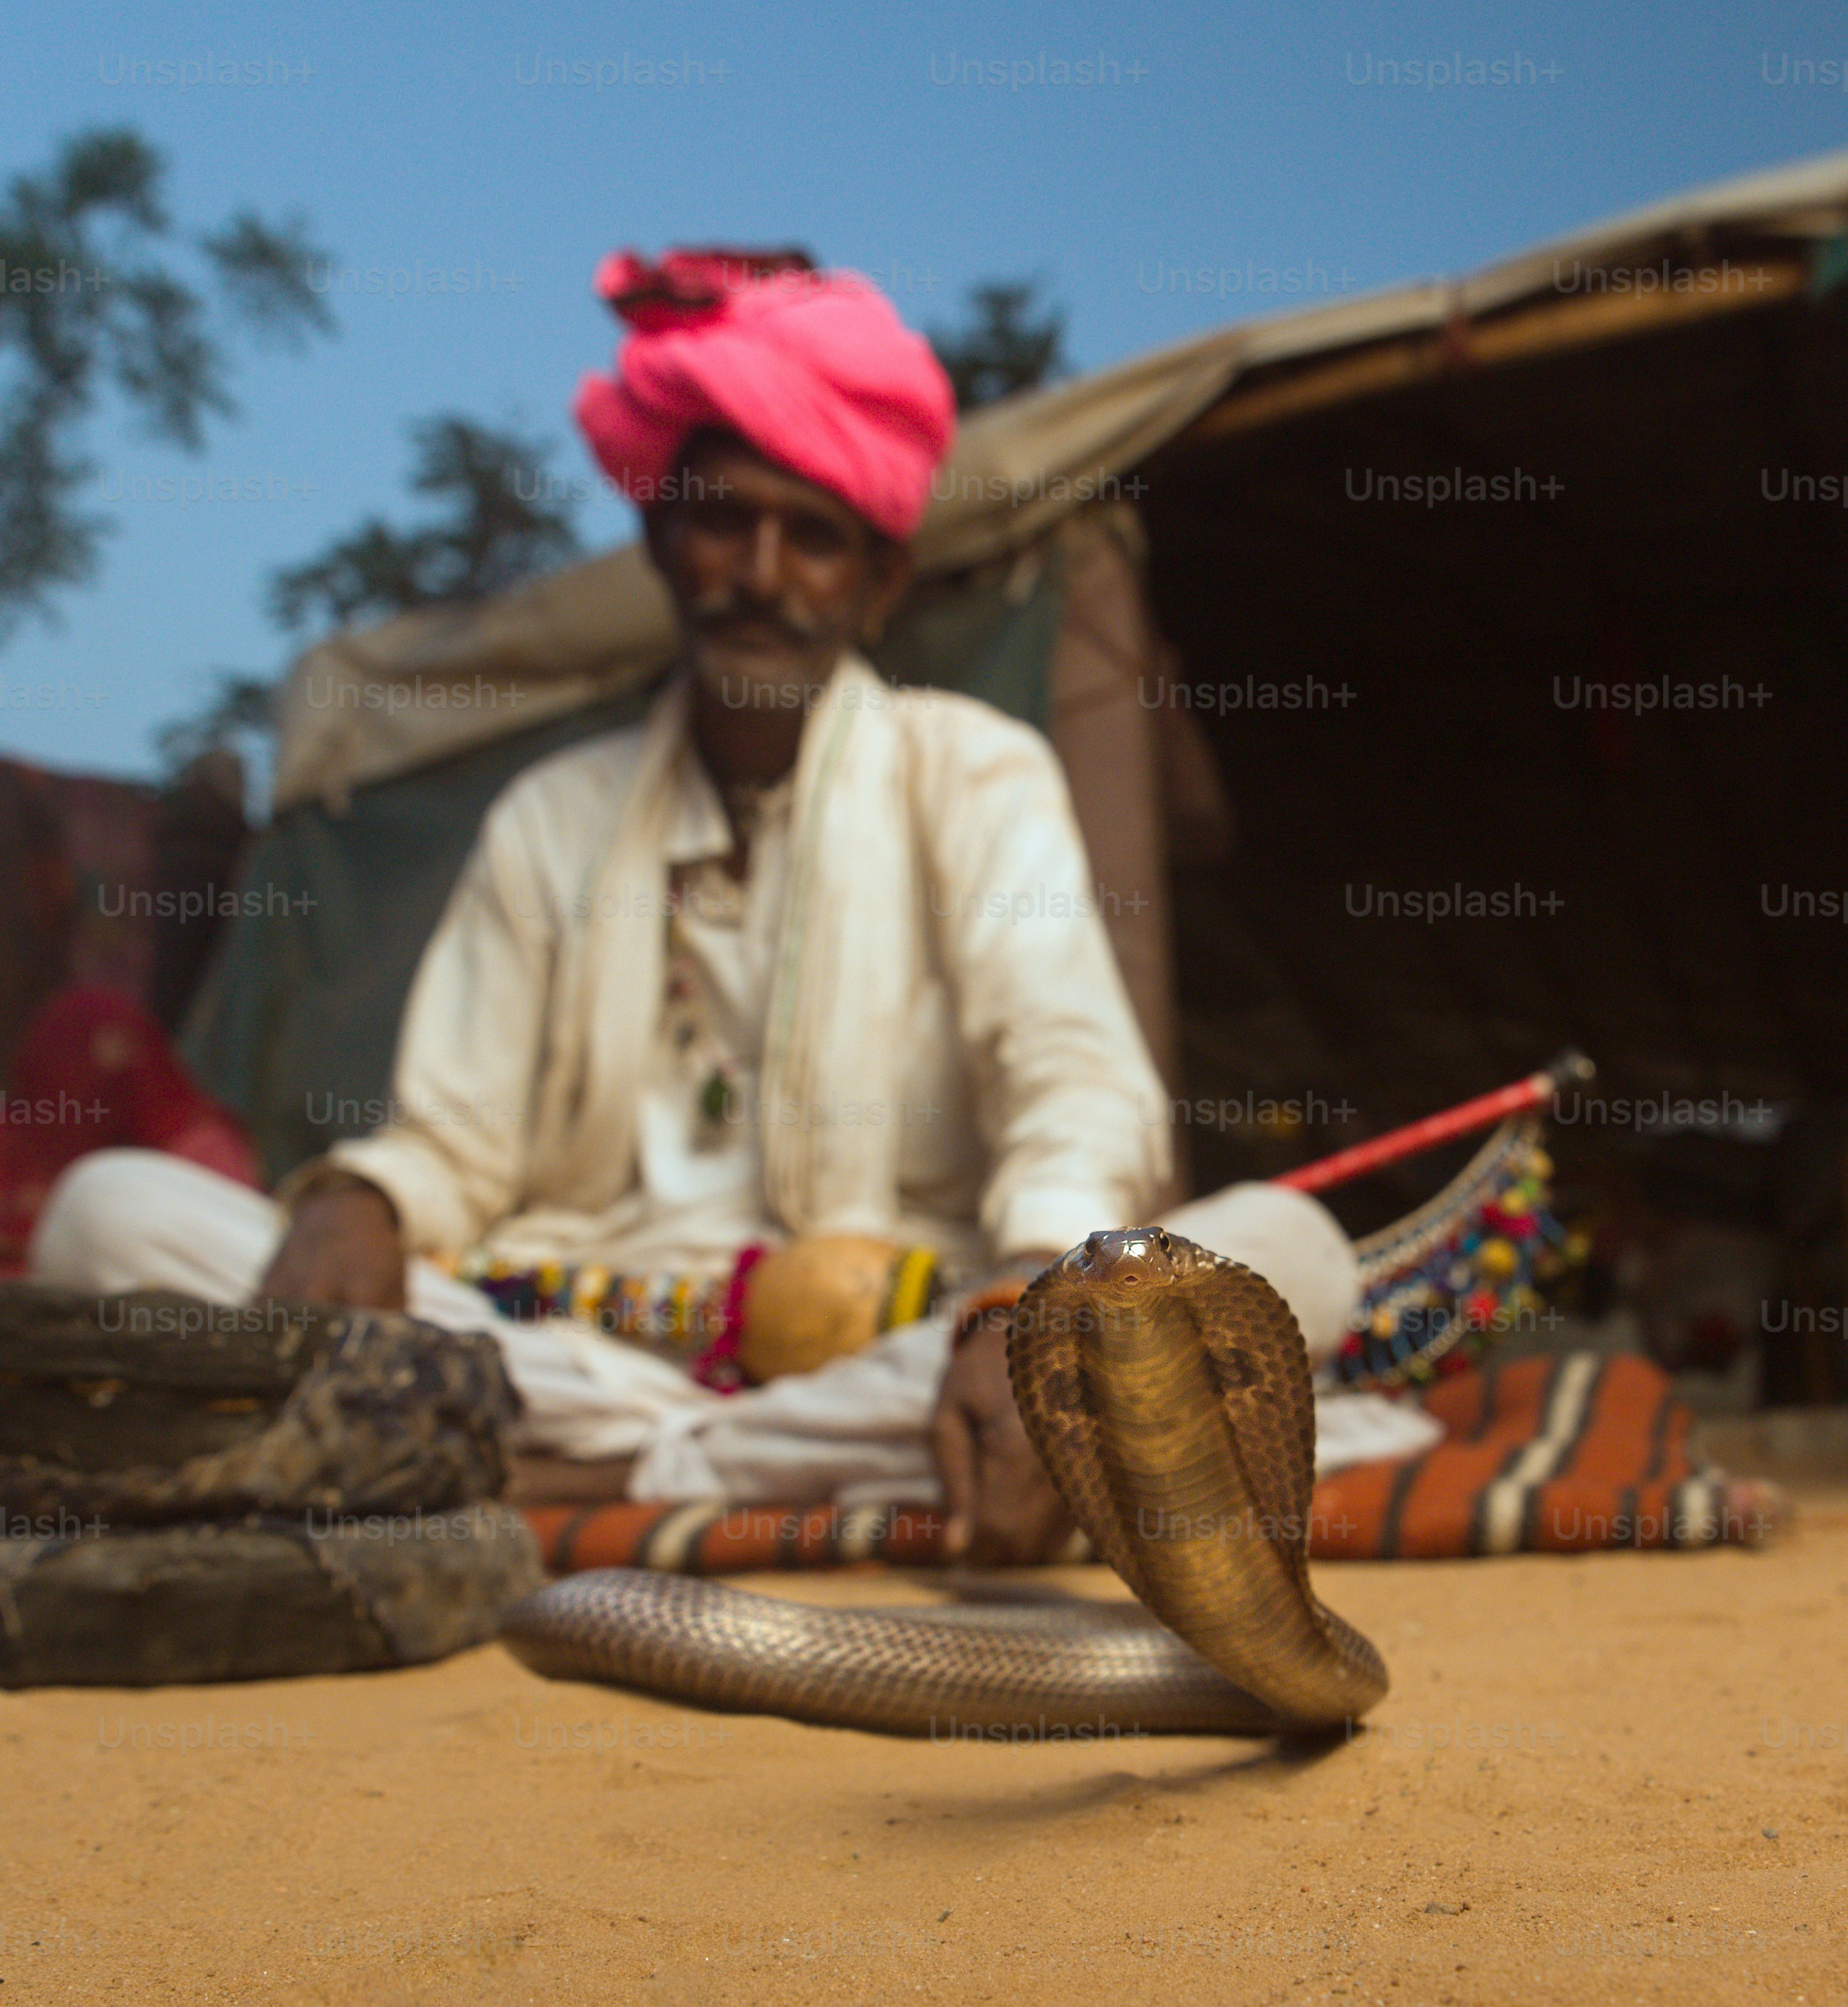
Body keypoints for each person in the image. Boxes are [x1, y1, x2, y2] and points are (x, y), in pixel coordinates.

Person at [31, 251, 1386, 1562]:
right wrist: (365, 1200)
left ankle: (536, 1462)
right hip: (557, 1345)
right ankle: (701, 1459)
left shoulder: (972, 771)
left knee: (1285, 1253)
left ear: (878, 580)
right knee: (108, 1215)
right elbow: (454, 1140)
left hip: (913, 1343)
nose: (762, 572)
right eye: (723, 521)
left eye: (813, 537)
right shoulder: (550, 818)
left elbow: (1076, 1084)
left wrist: (1028, 1317)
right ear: (662, 545)